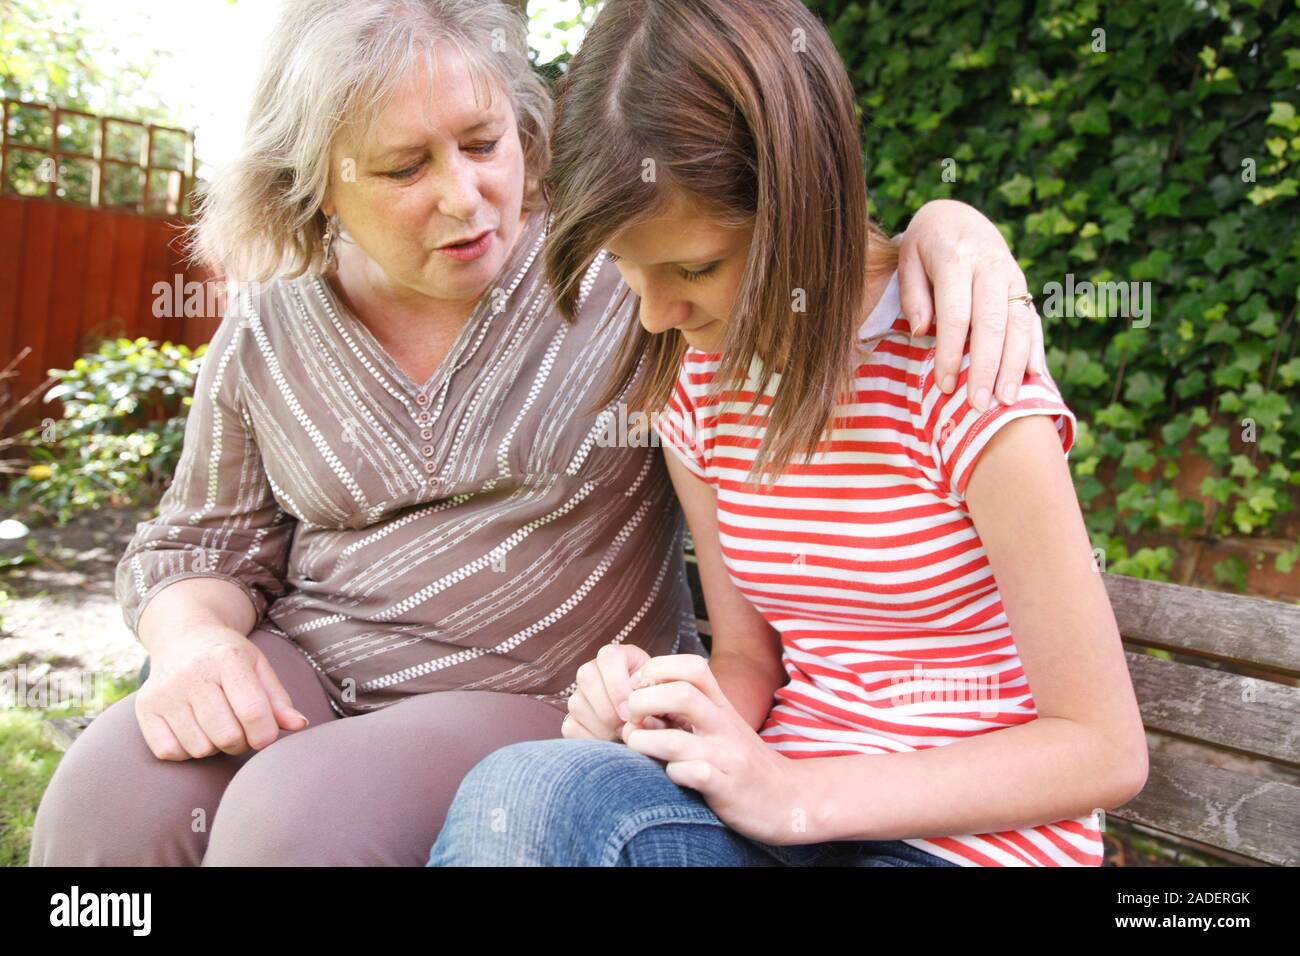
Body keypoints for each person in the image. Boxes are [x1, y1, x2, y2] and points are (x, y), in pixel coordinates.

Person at [31, 0, 1053, 867]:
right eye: (400, 168)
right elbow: (203, 543)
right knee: (109, 798)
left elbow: (790, 240)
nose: (465, 194)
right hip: (308, 668)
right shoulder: (271, 323)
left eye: (484, 143)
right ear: (313, 181)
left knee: (293, 820)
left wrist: (949, 226)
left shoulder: (621, 273)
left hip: (546, 695)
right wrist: (193, 638)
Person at [428, 0, 1148, 868]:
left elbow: (1104, 749)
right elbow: (748, 658)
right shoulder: (697, 386)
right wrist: (658, 717)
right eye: (628, 269)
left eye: (695, 268)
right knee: (528, 792)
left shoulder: (963, 369)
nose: (657, 314)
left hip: (963, 848)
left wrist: (802, 799)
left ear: (801, 206)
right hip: (778, 821)